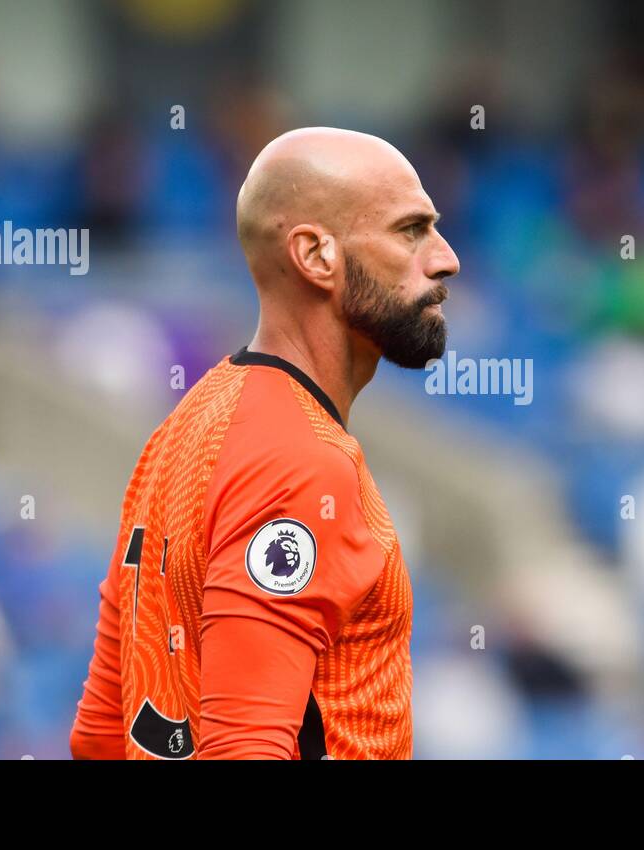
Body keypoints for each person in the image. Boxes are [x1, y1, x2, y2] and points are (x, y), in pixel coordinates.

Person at [69, 127, 460, 759]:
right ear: (315, 255)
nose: (444, 258)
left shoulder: (178, 434)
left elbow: (100, 740)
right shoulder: (302, 465)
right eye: (410, 230)